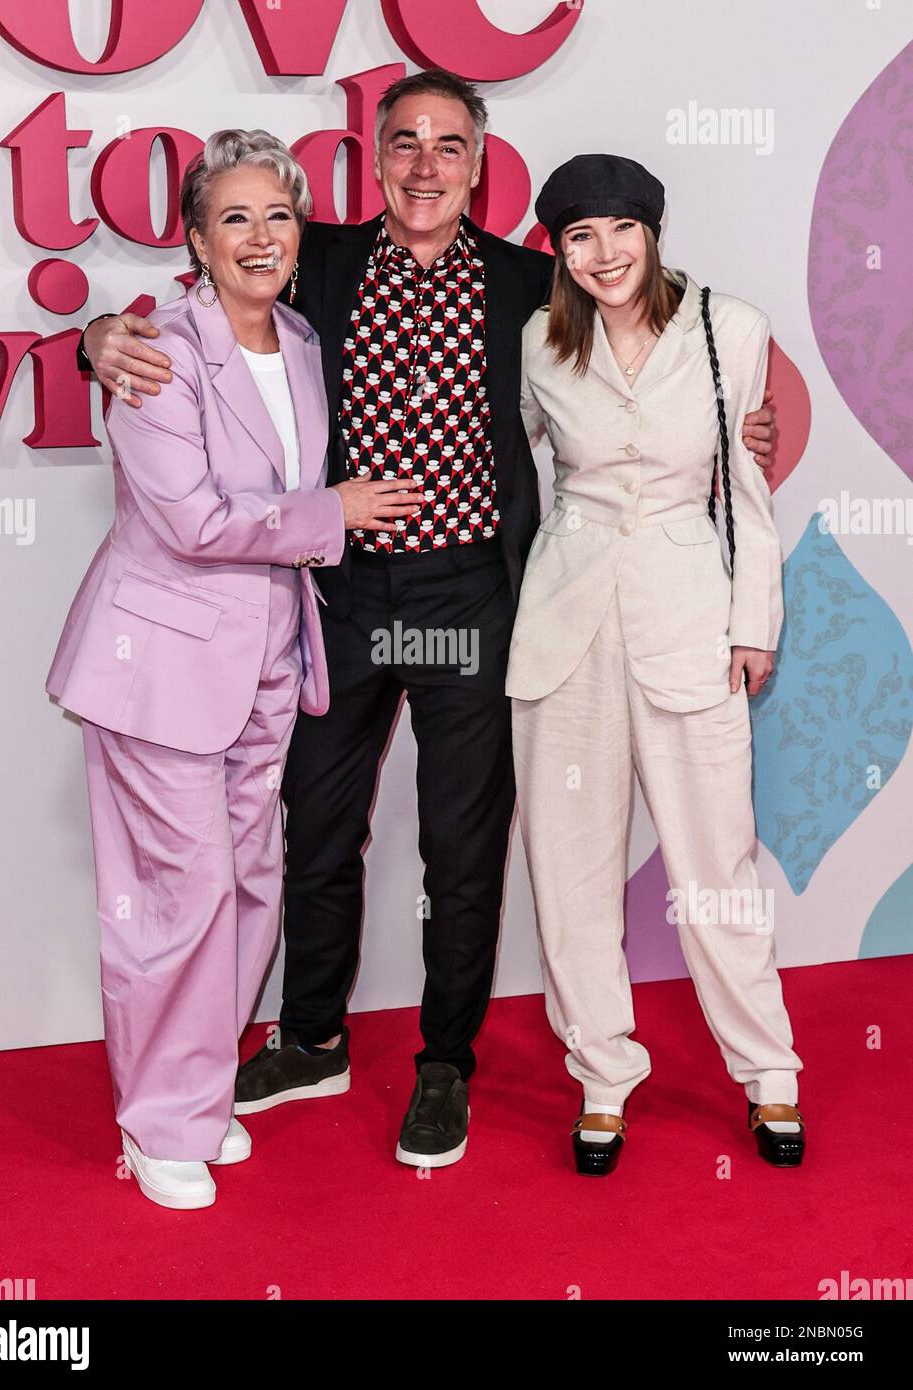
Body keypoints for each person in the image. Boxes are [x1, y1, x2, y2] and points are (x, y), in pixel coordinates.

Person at [77, 72, 777, 1170]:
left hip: (473, 601)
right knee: (314, 828)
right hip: (342, 594)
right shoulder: (318, 259)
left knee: (462, 845)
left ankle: (444, 1062)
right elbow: (197, 307)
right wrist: (94, 339)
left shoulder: (537, 288)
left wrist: (742, 424)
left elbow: (661, 370)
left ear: (478, 165)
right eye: (404, 141)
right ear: (375, 156)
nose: (425, 163)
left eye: (449, 144)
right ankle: (311, 1036)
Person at [48, 129, 420, 1209]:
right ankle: (158, 1121)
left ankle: (198, 1095)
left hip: (268, 665)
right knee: (181, 896)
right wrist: (334, 513)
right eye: (235, 219)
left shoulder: (302, 338)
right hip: (159, 669)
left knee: (251, 887)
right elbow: (195, 521)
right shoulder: (157, 346)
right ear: (197, 242)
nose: (260, 237)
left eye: (279, 216)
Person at [507, 154, 805, 1176]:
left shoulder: (734, 329)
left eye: (619, 230)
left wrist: (751, 621)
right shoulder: (540, 343)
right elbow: (529, 461)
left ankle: (769, 1071)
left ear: (653, 230)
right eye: (579, 237)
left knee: (715, 861)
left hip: (688, 614)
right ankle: (601, 1074)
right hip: (565, 624)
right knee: (569, 867)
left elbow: (749, 493)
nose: (603, 255)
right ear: (559, 249)